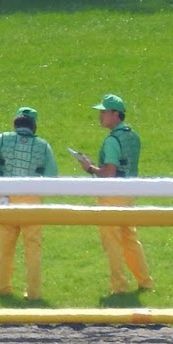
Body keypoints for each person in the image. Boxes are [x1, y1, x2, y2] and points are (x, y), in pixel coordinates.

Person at [73, 93, 154, 294]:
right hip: (129, 194)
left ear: (115, 114)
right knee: (130, 239)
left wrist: (90, 167)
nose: (100, 116)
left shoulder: (112, 141)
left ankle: (119, 286)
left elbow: (109, 173)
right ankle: (145, 282)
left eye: (104, 112)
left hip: (111, 195)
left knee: (113, 243)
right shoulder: (133, 136)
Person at [0, 104, 57, 299]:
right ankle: (33, 292)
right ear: (34, 125)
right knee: (33, 249)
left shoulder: (1, 139)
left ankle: (3, 289)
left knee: (4, 248)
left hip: (6, 196)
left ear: (16, 122)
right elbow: (52, 175)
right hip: (32, 200)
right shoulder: (44, 146)